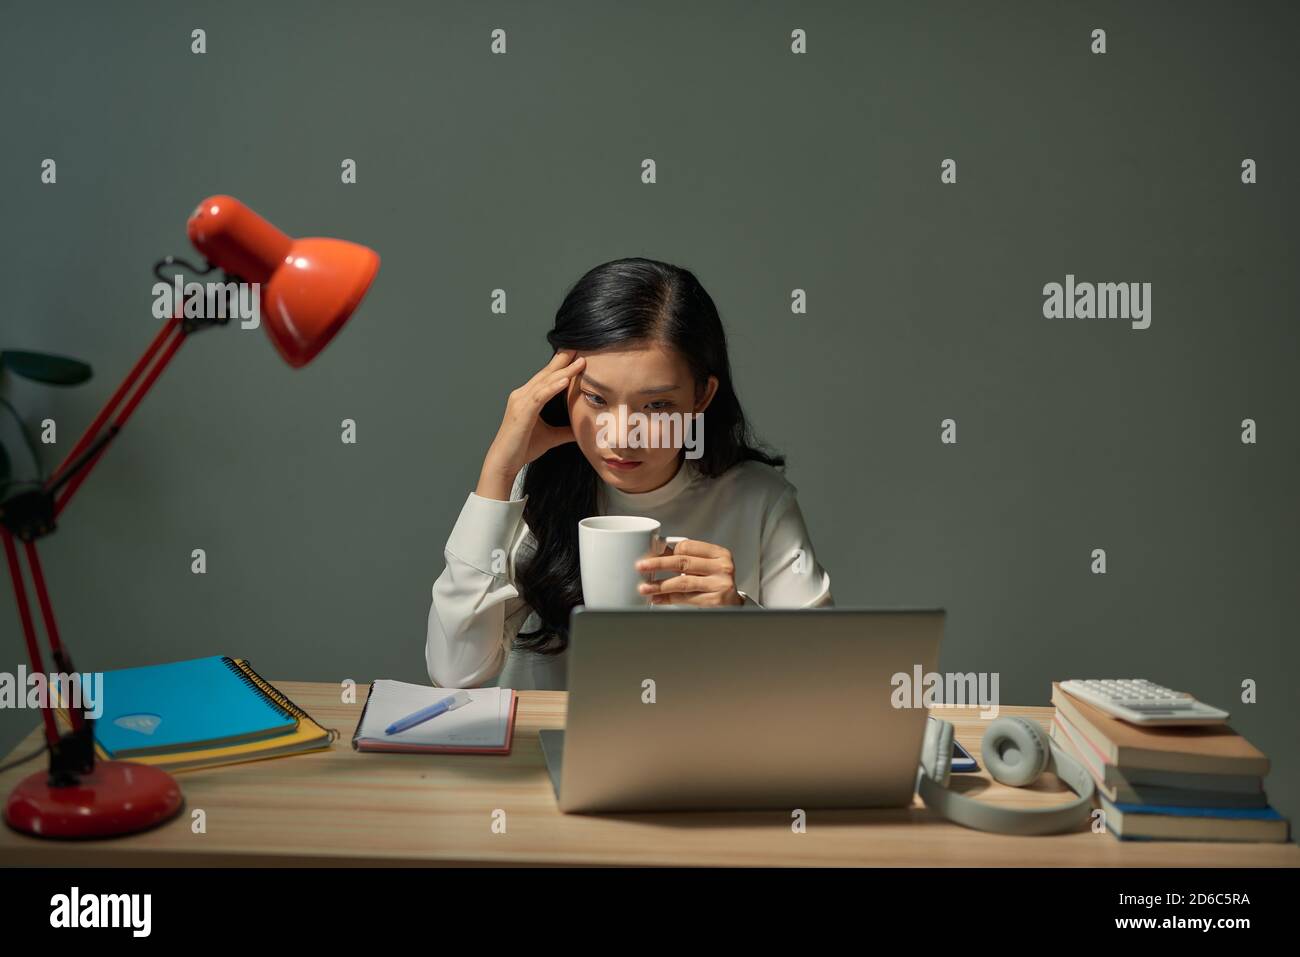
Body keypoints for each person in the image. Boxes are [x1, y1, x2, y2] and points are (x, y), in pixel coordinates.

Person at [425, 257, 832, 690]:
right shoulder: (537, 491)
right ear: (562, 387)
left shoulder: (759, 499)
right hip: (547, 733)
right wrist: (498, 472)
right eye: (596, 399)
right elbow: (455, 670)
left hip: (697, 733)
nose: (620, 437)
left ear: (701, 397)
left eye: (656, 405)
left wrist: (737, 613)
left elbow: (824, 681)